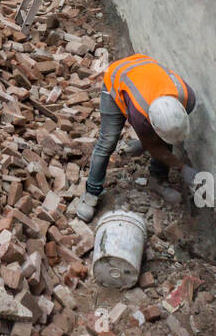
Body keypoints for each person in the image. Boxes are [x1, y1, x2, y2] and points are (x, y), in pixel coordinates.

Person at [76, 53, 196, 222]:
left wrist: (145, 144)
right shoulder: (140, 115)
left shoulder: (187, 98)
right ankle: (91, 194)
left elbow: (161, 137)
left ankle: (158, 178)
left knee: (162, 139)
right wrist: (182, 167)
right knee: (107, 142)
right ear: (151, 122)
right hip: (118, 77)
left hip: (143, 67)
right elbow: (154, 145)